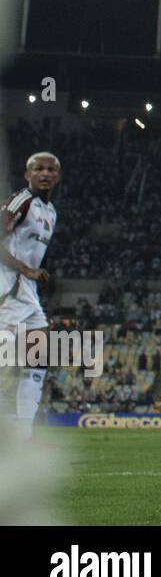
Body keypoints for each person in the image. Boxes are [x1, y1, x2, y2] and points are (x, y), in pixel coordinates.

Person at [0, 152, 61, 440]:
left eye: (50, 169)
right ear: (28, 175)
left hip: (29, 293)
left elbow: (31, 252)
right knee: (7, 361)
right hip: (8, 289)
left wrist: (37, 273)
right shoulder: (20, 201)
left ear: (57, 177)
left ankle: (22, 435)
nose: (45, 173)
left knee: (38, 361)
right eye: (38, 169)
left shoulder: (50, 212)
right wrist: (26, 269)